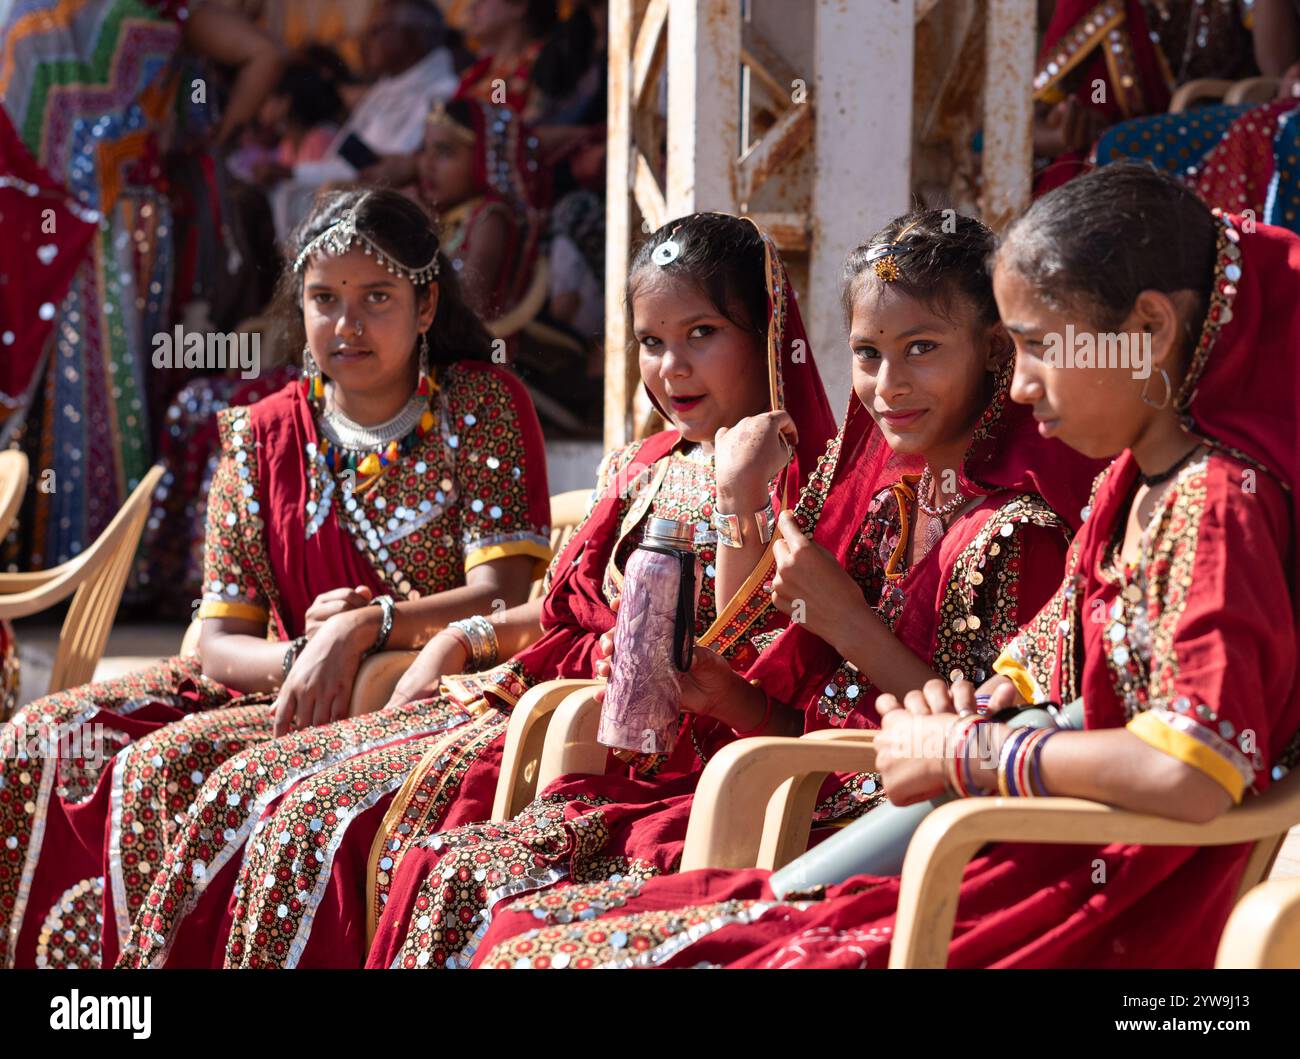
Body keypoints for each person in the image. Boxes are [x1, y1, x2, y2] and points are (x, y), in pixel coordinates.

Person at [472, 165, 1298, 971]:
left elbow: (1195, 766)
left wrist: (970, 750)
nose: (1022, 386)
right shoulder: (1130, 488)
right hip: (997, 842)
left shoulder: (1217, 502)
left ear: (1147, 329)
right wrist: (966, 714)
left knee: (561, 945)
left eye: (1040, 346)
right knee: (532, 923)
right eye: (868, 352)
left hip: (1091, 892)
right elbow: (1029, 686)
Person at [369, 210, 1103, 970]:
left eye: (921, 349)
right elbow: (794, 705)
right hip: (779, 790)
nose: (888, 384)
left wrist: (846, 620)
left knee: (523, 933)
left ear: (991, 351)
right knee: (453, 869)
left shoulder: (1018, 532)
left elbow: (974, 746)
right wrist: (729, 697)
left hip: (873, 841)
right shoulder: (863, 499)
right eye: (867, 352)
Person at [116, 212, 836, 968]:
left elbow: (738, 657)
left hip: (616, 746)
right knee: (255, 789)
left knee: (312, 817)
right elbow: (560, 610)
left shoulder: (804, 479)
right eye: (652, 342)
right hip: (529, 694)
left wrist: (737, 490)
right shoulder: (645, 461)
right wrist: (464, 638)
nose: (672, 368)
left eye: (702, 334)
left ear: (767, 330)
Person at [0, 187, 552, 969]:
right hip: (282, 682)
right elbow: (220, 643)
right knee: (36, 741)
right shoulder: (262, 436)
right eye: (324, 299)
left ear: (426, 306)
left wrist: (367, 623)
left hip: (418, 693)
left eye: (377, 298)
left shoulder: (481, 406)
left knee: (162, 766)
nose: (346, 324)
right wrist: (304, 655)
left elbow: (506, 597)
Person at [0, 0, 283, 569]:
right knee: (92, 381)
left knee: (84, 379)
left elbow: (264, 53)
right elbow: (261, 53)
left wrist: (213, 140)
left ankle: (62, 558)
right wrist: (211, 139)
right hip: (119, 213)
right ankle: (77, 559)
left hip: (87, 219)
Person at [1031, 0, 1267, 194]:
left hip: (1230, 160)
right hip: (1109, 176)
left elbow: (1279, 74)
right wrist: (1061, 136)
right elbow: (1029, 123)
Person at [268, 0, 460, 235]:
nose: (366, 40)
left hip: (391, 212)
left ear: (413, 36)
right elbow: (345, 158)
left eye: (377, 30)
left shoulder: (441, 93)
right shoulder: (383, 90)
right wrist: (293, 173)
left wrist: (298, 173)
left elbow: (387, 172)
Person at [417, 99, 548, 323]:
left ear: (483, 158)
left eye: (444, 152)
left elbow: (466, 306)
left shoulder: (490, 219)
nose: (427, 164)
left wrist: (423, 235)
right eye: (423, 149)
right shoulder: (443, 213)